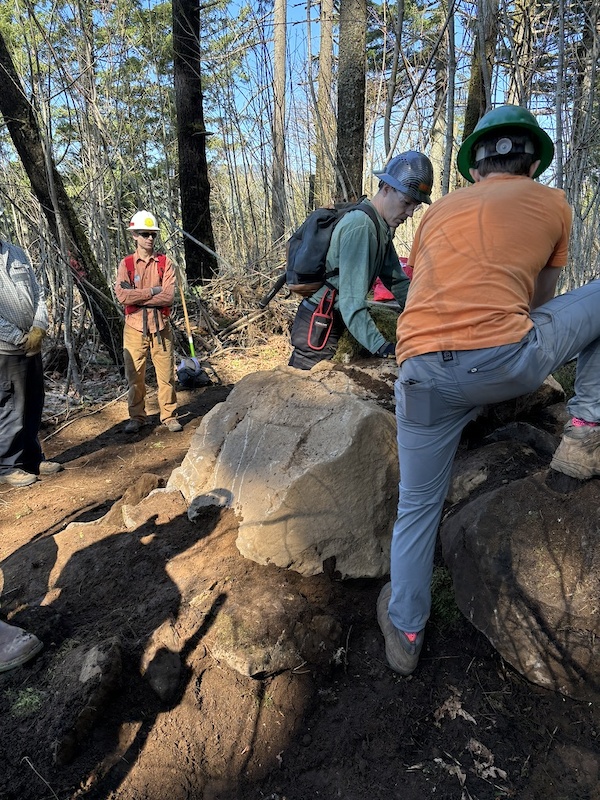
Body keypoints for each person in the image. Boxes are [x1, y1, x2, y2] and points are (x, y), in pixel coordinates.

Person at [377, 104, 600, 677]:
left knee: (416, 506)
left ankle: (406, 631)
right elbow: (538, 304)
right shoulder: (553, 203)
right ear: (532, 163)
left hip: (419, 372)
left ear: (474, 168)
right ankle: (585, 428)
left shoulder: (434, 213)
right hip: (502, 363)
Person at [288, 151, 434, 369]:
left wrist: (423, 316)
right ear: (387, 188)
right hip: (320, 323)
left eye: (416, 206)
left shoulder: (380, 227)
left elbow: (397, 281)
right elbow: (351, 302)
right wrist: (381, 346)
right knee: (304, 386)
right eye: (406, 203)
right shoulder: (362, 226)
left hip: (330, 319)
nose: (411, 213)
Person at [0, 238, 62, 487]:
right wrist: (18, 338)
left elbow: (39, 293)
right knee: (10, 407)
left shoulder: (16, 253)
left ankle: (32, 459)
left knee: (33, 403)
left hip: (32, 345)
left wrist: (39, 326)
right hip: (6, 349)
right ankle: (8, 465)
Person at [115, 212, 182, 433]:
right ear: (135, 235)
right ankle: (137, 417)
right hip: (134, 327)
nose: (150, 238)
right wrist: (153, 291)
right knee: (134, 376)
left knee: (166, 375)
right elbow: (122, 296)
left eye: (153, 234)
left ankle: (169, 415)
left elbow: (168, 296)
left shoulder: (165, 262)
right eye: (145, 234)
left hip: (160, 325)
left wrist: (138, 296)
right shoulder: (126, 264)